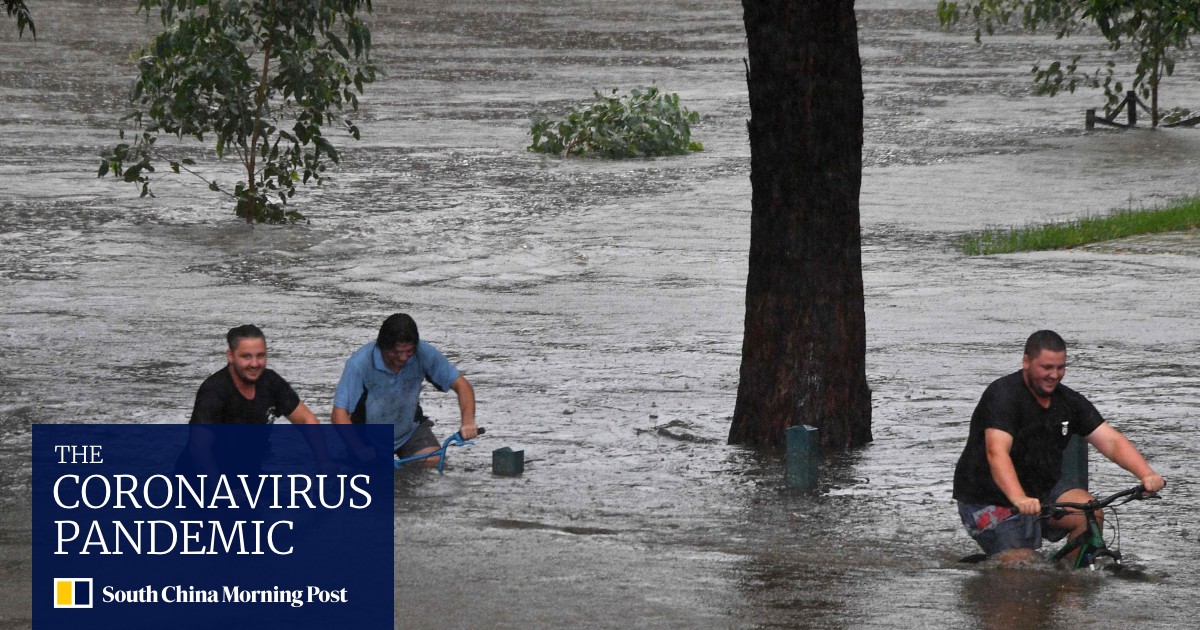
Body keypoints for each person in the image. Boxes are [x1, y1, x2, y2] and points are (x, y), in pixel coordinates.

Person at [953, 330, 1165, 564]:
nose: (1054, 375)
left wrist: (1146, 473)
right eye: (1046, 368)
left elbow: (1111, 441)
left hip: (1041, 489)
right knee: (1024, 567)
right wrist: (1019, 497)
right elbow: (997, 453)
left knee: (1090, 513)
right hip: (989, 498)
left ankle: (1071, 584)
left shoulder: (1068, 401)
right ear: (1026, 362)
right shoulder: (1003, 396)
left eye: (1060, 368)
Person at [331, 313, 477, 468]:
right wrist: (360, 450)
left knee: (433, 463)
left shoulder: (423, 353)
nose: (403, 359)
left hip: (409, 431)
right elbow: (339, 414)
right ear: (382, 346)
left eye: (409, 352)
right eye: (397, 352)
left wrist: (468, 421)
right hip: (366, 437)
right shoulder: (359, 364)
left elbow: (463, 386)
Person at [186, 324, 325, 473]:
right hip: (203, 480)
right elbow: (199, 448)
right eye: (246, 356)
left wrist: (325, 461)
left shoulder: (271, 381)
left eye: (260, 356)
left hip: (249, 472)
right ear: (231, 356)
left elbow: (306, 420)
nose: (254, 364)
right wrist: (222, 491)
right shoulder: (214, 390)